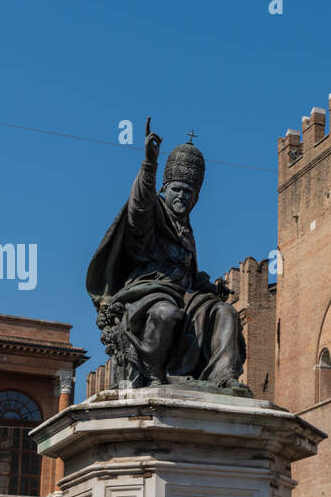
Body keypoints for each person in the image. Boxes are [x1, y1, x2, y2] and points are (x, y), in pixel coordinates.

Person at [86, 119, 249, 392]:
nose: (182, 197)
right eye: (176, 190)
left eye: (189, 193)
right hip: (149, 291)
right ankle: (152, 375)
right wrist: (149, 165)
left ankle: (224, 376)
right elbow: (138, 208)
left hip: (184, 293)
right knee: (166, 314)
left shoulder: (187, 230)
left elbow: (186, 272)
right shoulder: (153, 215)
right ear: (164, 190)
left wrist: (207, 286)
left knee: (225, 312)